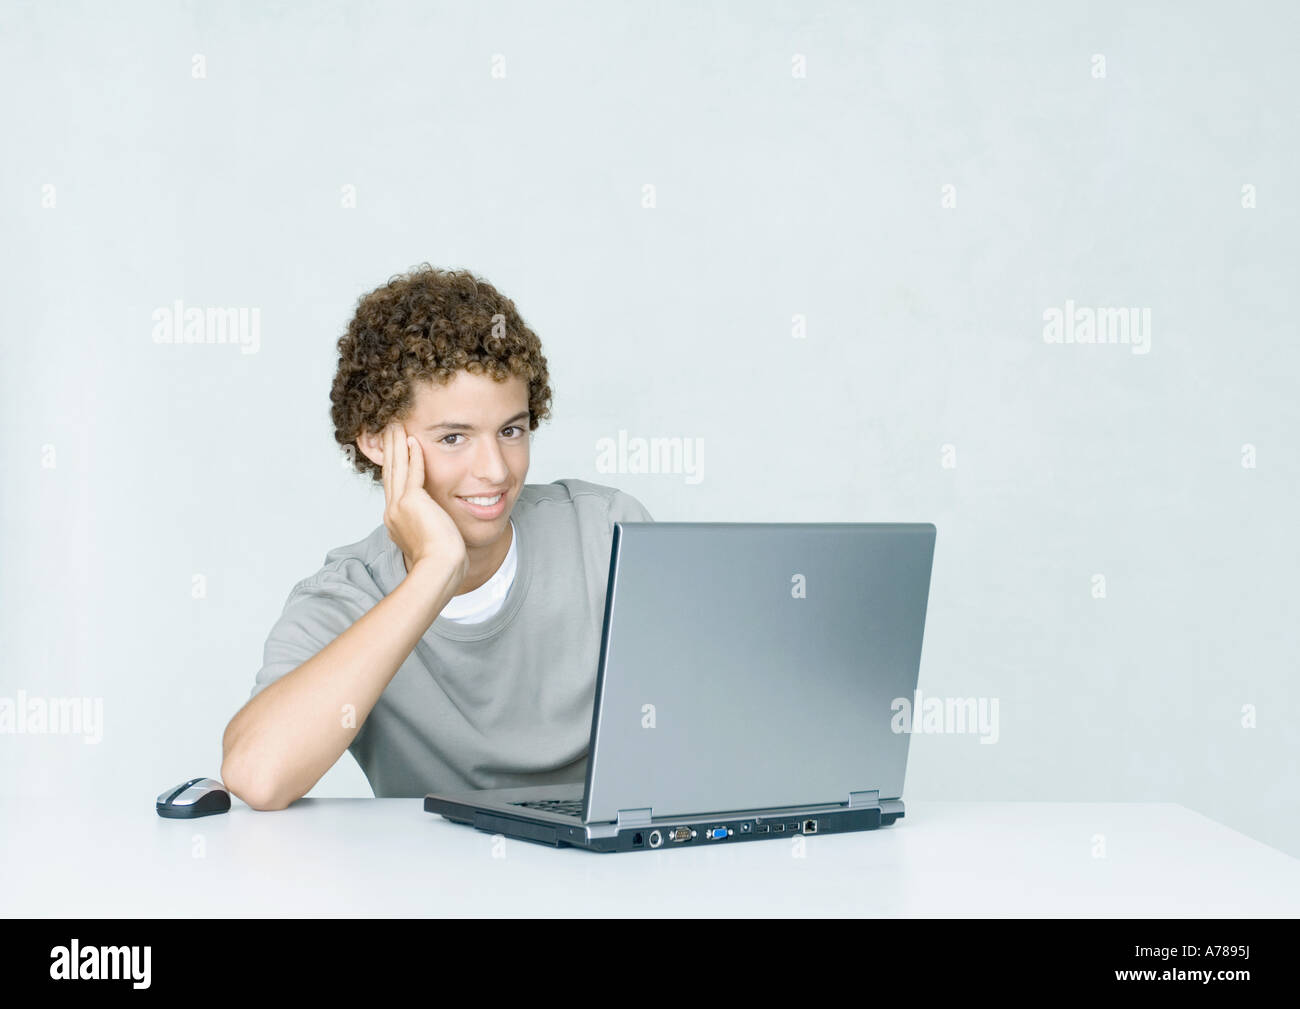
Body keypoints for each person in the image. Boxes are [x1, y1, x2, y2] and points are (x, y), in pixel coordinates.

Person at [220, 264, 653, 810]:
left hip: (607, 877)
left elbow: (712, 713)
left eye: (511, 431)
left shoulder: (604, 531)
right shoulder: (345, 597)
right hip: (438, 883)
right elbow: (259, 775)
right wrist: (434, 573)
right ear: (378, 441)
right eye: (454, 438)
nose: (495, 470)